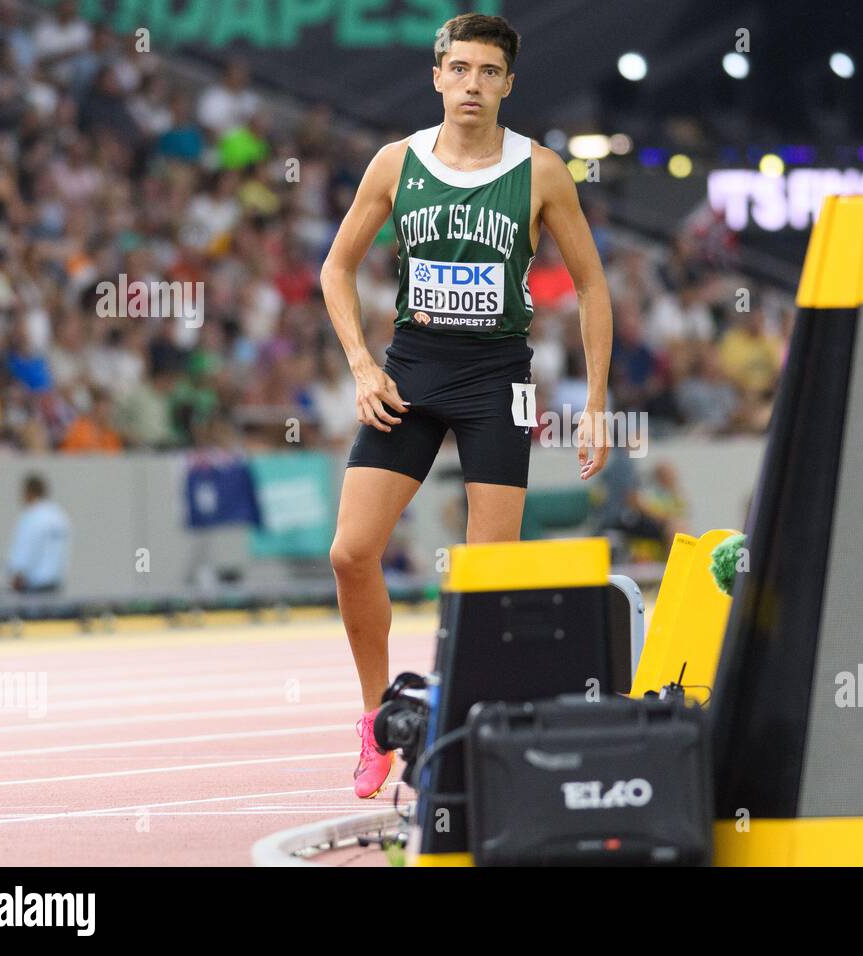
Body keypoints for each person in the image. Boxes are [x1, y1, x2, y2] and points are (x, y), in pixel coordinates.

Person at [320, 13, 612, 798]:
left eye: (489, 72)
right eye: (460, 69)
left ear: (508, 84)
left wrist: (597, 401)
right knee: (351, 553)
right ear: (438, 75)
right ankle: (379, 718)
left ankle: (465, 734)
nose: (472, 84)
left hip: (496, 378)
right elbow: (336, 269)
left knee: (487, 579)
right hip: (411, 369)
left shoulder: (541, 169)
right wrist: (359, 364)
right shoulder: (395, 163)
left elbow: (590, 286)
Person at [5, 473, 71, 594]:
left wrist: (17, 576)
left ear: (29, 492)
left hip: (33, 587)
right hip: (55, 584)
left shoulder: (32, 517)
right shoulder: (59, 516)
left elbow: (25, 549)